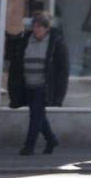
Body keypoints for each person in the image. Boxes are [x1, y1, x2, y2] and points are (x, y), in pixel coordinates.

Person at [8, 10, 69, 155]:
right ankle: (51, 139)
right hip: (28, 84)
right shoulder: (26, 40)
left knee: (35, 116)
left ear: (47, 29)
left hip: (43, 86)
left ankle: (29, 146)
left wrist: (59, 92)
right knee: (38, 115)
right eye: (34, 27)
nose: (36, 30)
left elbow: (63, 70)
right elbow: (17, 60)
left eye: (39, 27)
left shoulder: (56, 44)